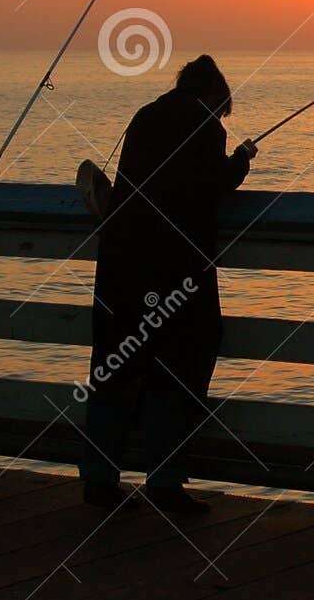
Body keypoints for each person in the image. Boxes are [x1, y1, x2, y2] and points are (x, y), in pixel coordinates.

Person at [80, 55, 257, 513]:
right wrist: (241, 160)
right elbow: (209, 186)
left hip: (122, 264)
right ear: (215, 96)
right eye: (222, 109)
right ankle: (165, 484)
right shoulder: (206, 124)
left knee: (114, 370)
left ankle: (99, 481)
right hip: (176, 270)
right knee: (180, 370)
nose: (220, 117)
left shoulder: (145, 115)